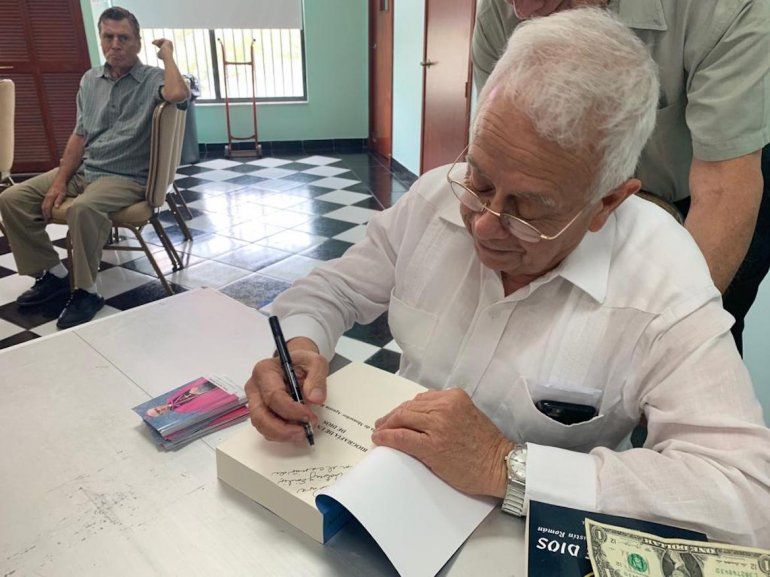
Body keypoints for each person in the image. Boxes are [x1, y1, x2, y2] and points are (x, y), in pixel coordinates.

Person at [244, 9, 770, 547]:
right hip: (382, 499)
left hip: (519, 538)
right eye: (480, 177)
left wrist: (508, 466)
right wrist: (303, 345)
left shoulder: (663, 280)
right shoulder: (435, 200)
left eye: (529, 208)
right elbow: (332, 289)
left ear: (606, 203)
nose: (485, 223)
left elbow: (747, 492)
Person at [472, 0, 770, 354]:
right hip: (566, 204)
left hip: (695, 198)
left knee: (686, 345)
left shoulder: (727, 9)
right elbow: (498, 148)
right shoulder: (502, 8)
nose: (520, 10)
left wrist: (654, 353)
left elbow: (723, 187)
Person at [0, 6, 189, 329]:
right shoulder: (90, 80)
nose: (116, 44)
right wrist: (60, 181)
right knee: (11, 199)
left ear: (137, 43)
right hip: (87, 170)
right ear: (101, 40)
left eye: (124, 38)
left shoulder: (152, 79)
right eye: (108, 36)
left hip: (126, 177)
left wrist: (168, 55)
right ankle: (54, 274)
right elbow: (79, 137)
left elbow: (178, 93)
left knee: (84, 209)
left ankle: (87, 291)